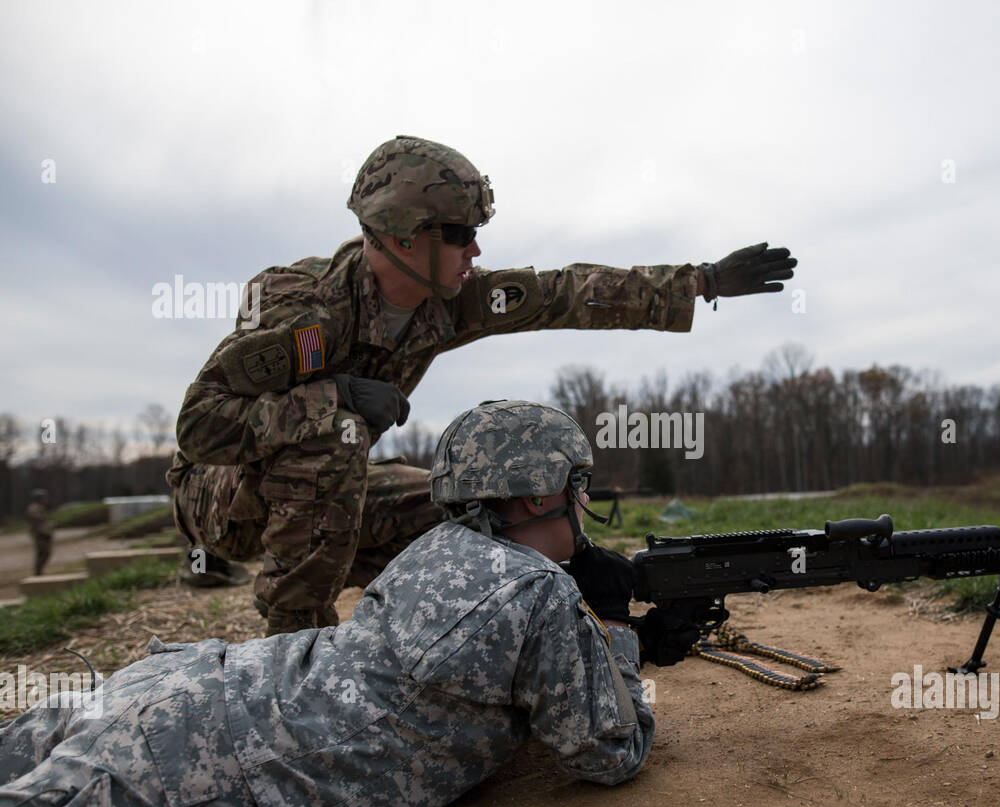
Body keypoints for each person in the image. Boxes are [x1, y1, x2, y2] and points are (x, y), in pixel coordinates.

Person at [0, 400, 697, 807]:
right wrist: (610, 628)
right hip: (190, 774)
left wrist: (603, 631)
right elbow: (609, 753)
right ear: (542, 494)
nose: (583, 499)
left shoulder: (429, 550)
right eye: (578, 483)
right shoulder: (542, 591)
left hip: (177, 689)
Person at [166, 134, 798, 634]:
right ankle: (295, 649)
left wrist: (701, 281)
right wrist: (335, 398)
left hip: (326, 494)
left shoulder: (446, 302)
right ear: (402, 235)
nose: (474, 251)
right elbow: (200, 429)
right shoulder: (305, 311)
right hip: (220, 500)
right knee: (336, 435)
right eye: (460, 234)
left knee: (470, 508)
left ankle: (445, 642)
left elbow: (561, 294)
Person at [26, 489, 52, 577]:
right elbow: (37, 521)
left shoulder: (39, 507)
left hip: (43, 534)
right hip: (40, 534)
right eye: (43, 498)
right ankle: (38, 573)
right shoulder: (34, 508)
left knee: (45, 553)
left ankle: (39, 572)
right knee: (42, 553)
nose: (45, 499)